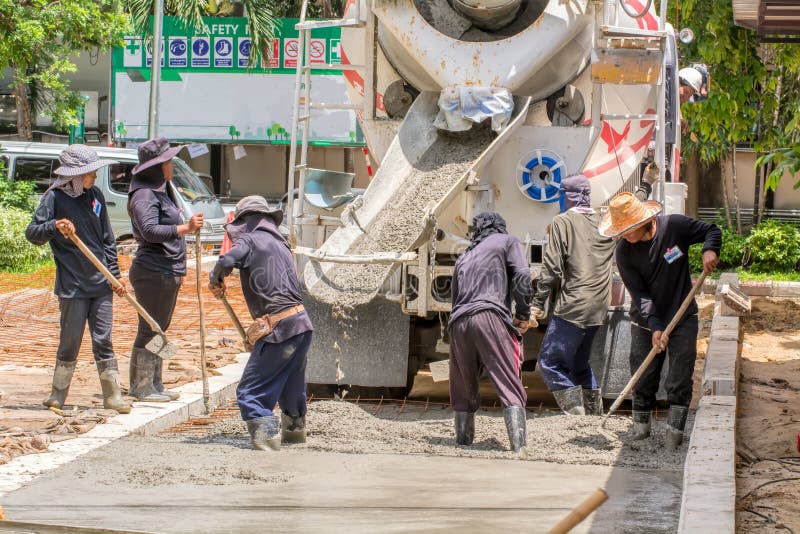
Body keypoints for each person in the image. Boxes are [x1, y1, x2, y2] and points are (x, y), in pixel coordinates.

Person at [532, 166, 659, 416]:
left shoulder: (562, 222)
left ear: (568, 196)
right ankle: (593, 414)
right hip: (599, 307)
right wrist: (646, 183)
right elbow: (632, 207)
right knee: (580, 365)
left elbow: (551, 268)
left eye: (562, 194)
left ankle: (576, 412)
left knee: (549, 362)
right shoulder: (605, 221)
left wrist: (536, 305)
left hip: (574, 305)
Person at [600, 192, 721, 450]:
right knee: (643, 375)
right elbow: (640, 296)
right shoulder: (624, 253)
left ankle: (674, 435)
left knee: (679, 377)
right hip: (646, 320)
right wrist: (655, 326)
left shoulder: (674, 227)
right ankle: (641, 430)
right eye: (620, 230)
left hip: (682, 315)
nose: (624, 234)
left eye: (628, 229)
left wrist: (710, 249)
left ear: (643, 222)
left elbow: (712, 230)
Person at [25, 145, 130, 414]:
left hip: (101, 284)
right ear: (74, 175)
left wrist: (114, 276)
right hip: (73, 286)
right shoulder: (54, 198)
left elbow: (107, 240)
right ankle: (57, 394)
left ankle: (113, 395)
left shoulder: (95, 196)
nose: (94, 175)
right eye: (90, 172)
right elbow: (33, 233)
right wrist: (55, 225)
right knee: (70, 341)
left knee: (103, 339)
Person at [208, 196, 313, 451]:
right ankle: (294, 435)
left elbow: (225, 261)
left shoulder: (250, 239)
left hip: (280, 330)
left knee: (251, 391)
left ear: (244, 221)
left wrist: (216, 279)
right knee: (290, 387)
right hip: (301, 325)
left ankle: (266, 446)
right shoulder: (280, 243)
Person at [448, 212, 532, 453]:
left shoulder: (465, 255)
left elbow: (454, 298)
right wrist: (523, 313)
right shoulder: (508, 241)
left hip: (459, 322)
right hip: (489, 316)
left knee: (463, 385)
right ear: (500, 227)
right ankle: (519, 447)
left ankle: (462, 443)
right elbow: (523, 274)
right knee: (507, 379)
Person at [127, 137, 203, 402]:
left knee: (160, 328)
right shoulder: (144, 195)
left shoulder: (161, 191)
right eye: (168, 162)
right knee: (149, 328)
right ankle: (141, 386)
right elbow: (149, 230)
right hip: (153, 271)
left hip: (168, 270)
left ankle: (155, 383)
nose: (172, 166)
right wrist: (185, 228)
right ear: (158, 166)